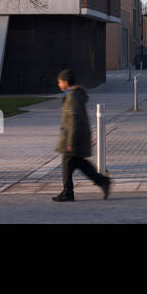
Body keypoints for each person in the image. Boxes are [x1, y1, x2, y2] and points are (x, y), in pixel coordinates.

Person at [52, 69, 112, 201]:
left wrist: (71, 142)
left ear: (66, 82)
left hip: (73, 137)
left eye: (59, 82)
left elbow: (75, 119)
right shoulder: (73, 95)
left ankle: (68, 193)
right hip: (77, 136)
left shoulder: (72, 96)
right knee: (79, 163)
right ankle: (102, 182)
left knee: (68, 164)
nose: (58, 84)